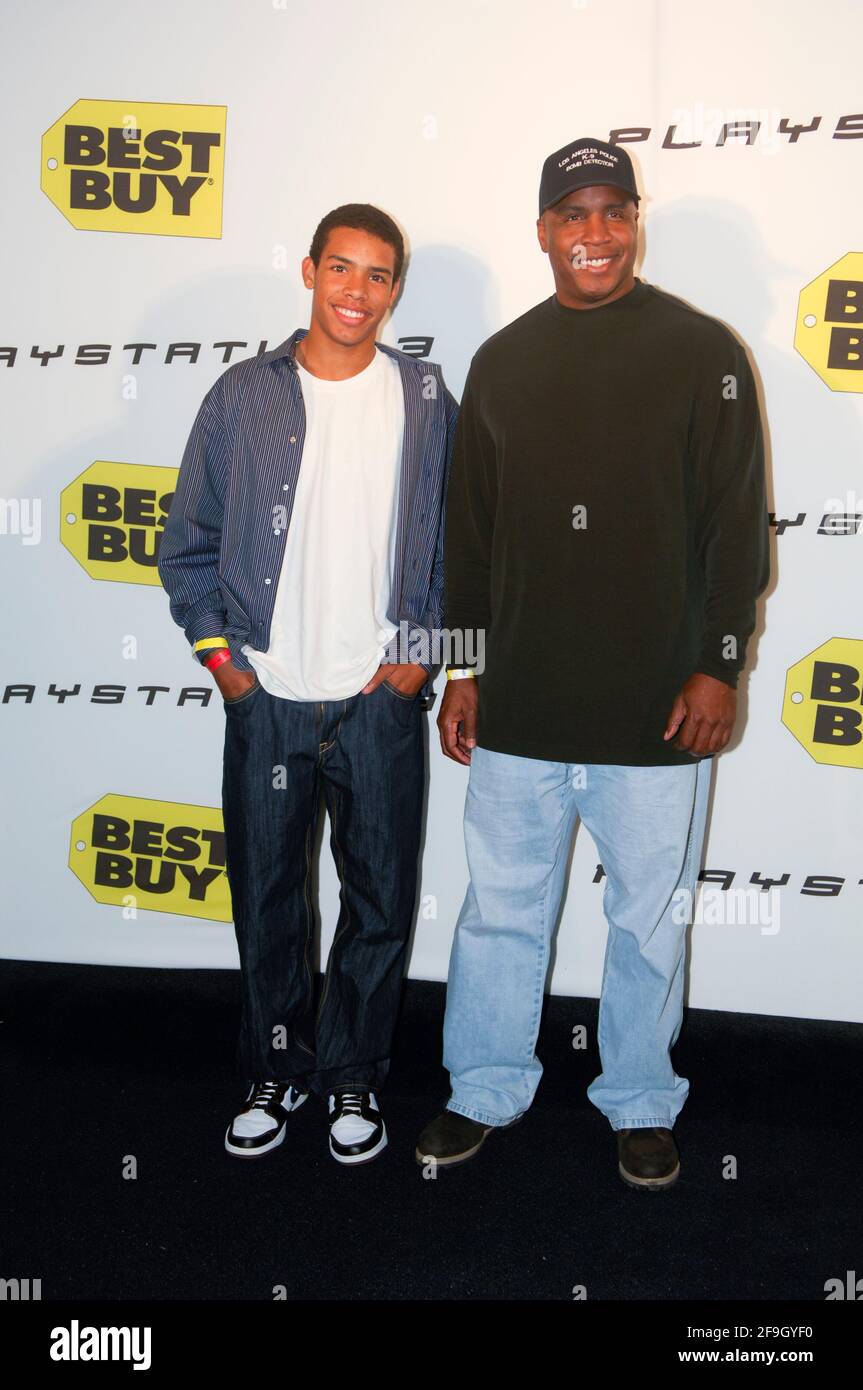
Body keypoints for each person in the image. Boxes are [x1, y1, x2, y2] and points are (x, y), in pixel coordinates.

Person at [416, 138, 770, 1189]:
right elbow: (466, 539)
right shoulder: (501, 363)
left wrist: (718, 666)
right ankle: (481, 1086)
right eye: (571, 214)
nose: (594, 232)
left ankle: (638, 1099)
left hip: (658, 714)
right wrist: (463, 672)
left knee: (645, 922)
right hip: (518, 709)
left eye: (612, 210)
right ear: (541, 231)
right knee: (498, 914)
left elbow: (731, 529)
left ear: (633, 222)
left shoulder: (699, 348)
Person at [158, 203, 457, 1164]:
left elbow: (464, 547)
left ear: (396, 289)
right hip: (269, 699)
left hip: (381, 700)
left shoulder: (423, 395)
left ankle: (354, 1082)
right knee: (269, 898)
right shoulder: (242, 395)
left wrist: (425, 659)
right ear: (308, 271)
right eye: (341, 269)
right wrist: (227, 672)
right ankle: (275, 1070)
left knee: (380, 902)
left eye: (377, 276)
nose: (356, 293)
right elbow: (186, 550)